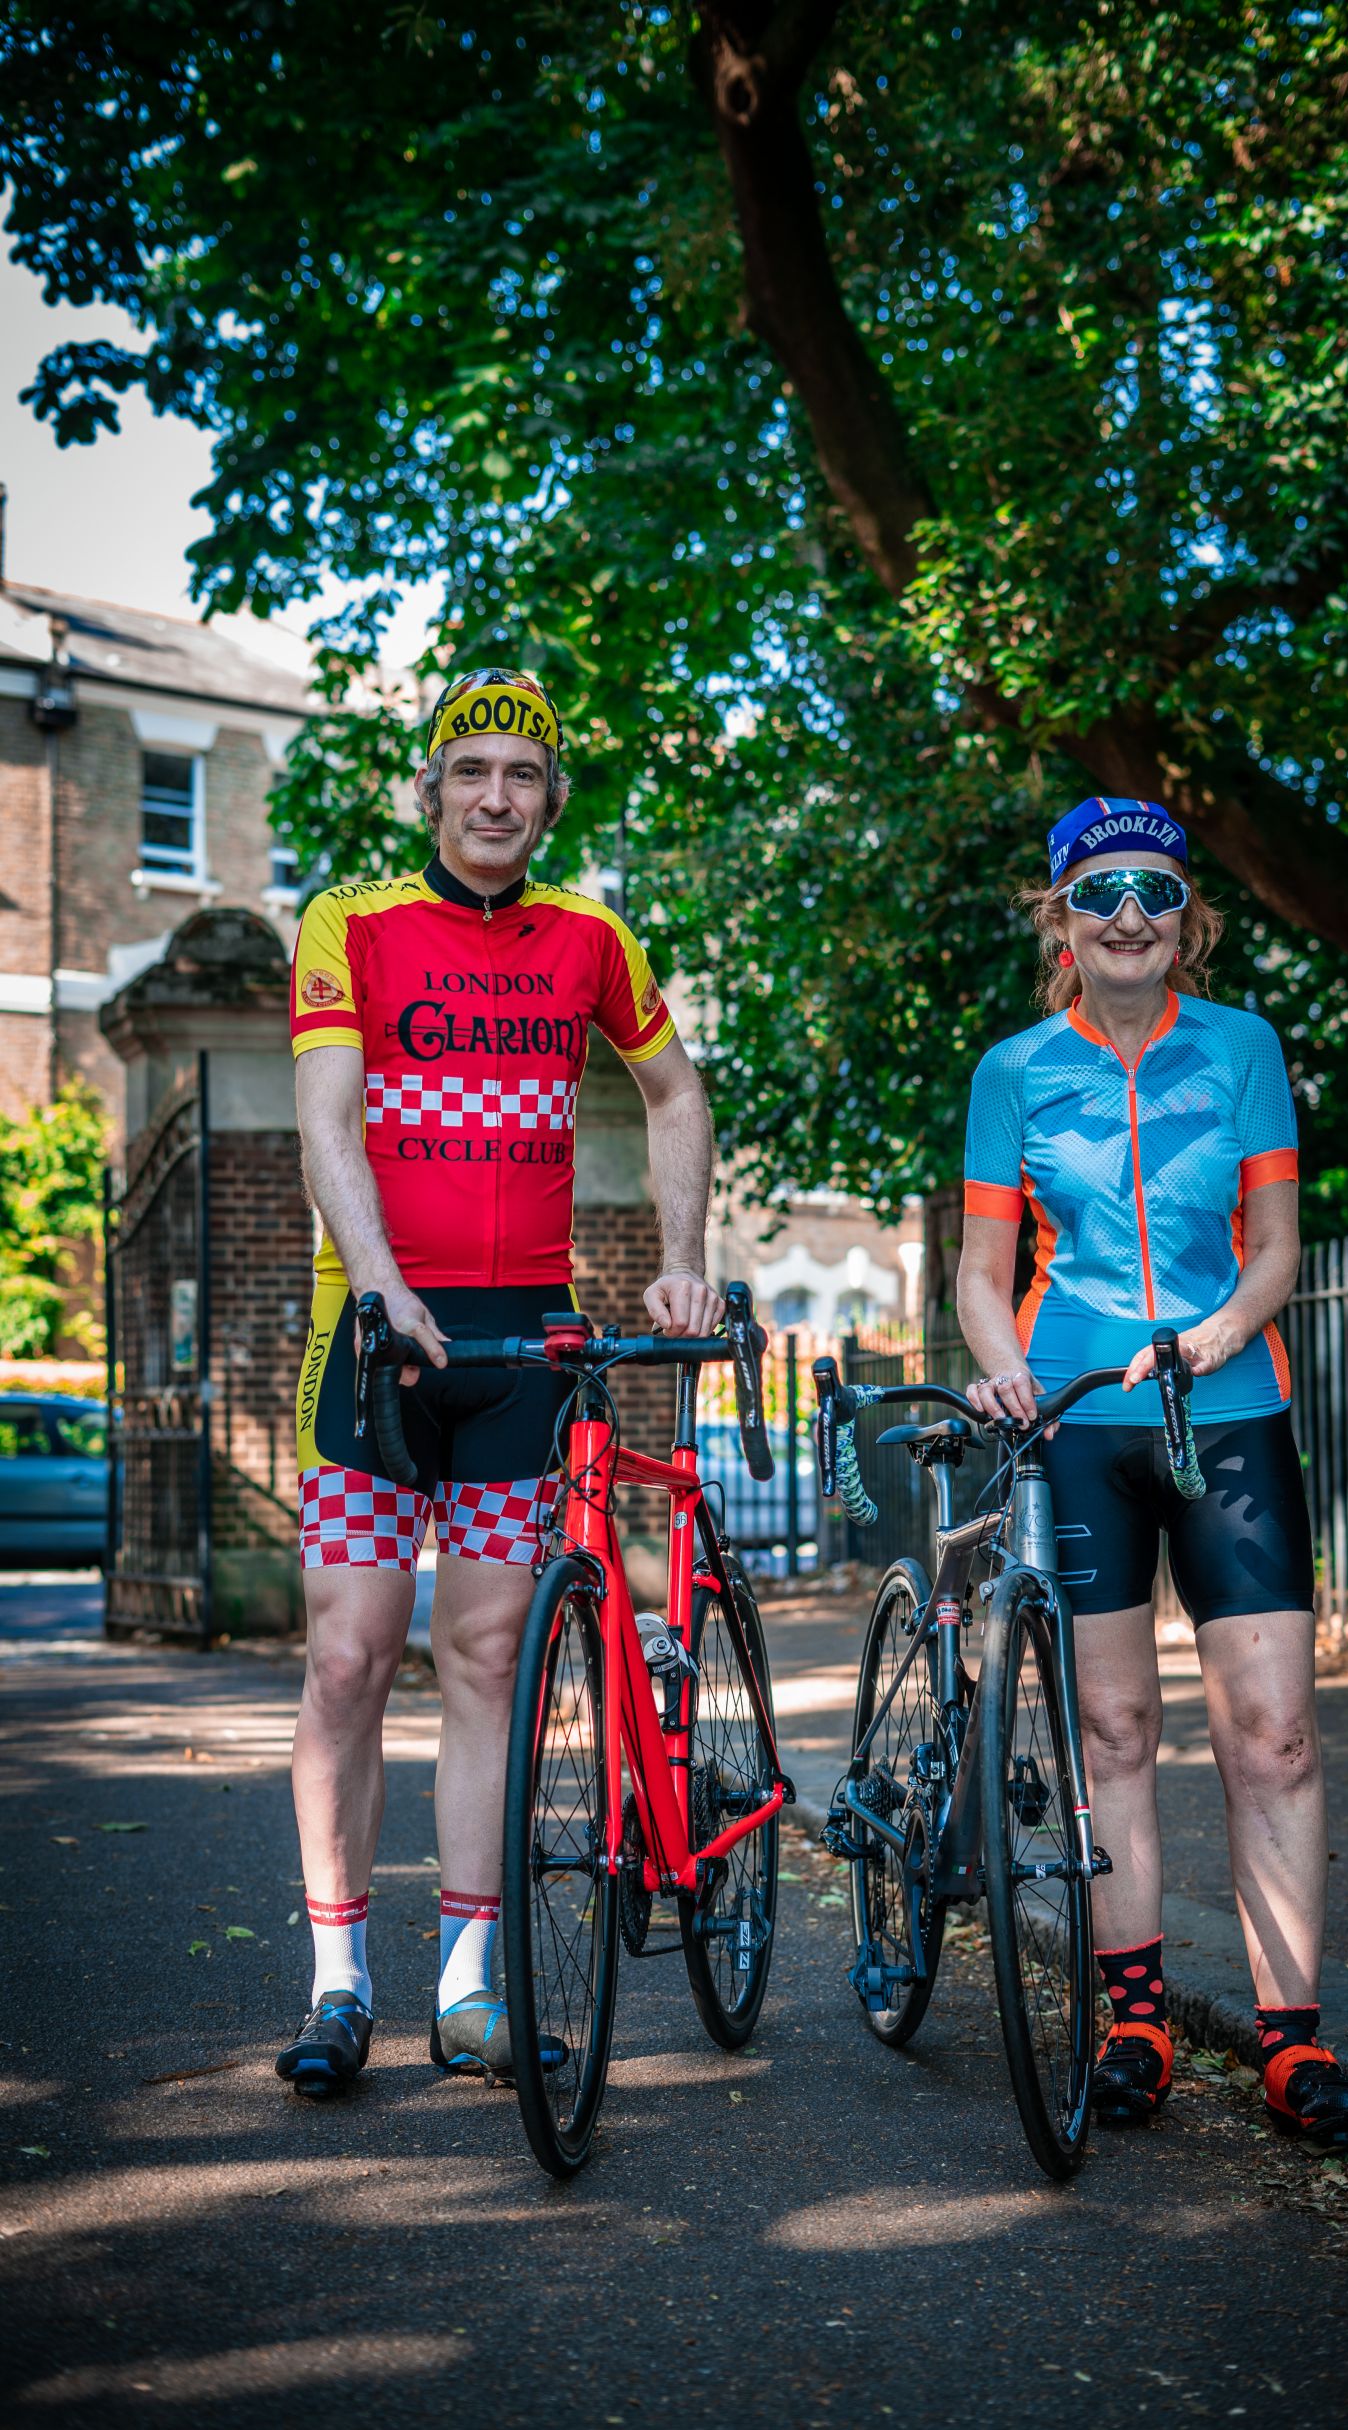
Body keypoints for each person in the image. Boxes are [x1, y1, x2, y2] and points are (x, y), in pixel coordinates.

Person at [275, 667, 722, 2098]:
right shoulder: (350, 922)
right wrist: (385, 1282)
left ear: (551, 801)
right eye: (469, 769)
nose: (494, 796)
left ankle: (468, 1991)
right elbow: (329, 1121)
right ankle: (340, 1978)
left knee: (484, 1663)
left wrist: (682, 1257)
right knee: (348, 1658)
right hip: (375, 1342)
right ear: (430, 789)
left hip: (524, 1344)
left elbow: (676, 1090)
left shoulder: (590, 933)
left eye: (521, 775)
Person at [956, 793, 1348, 2153]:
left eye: (1152, 891)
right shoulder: (1013, 1071)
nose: (1126, 916)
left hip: (1230, 1408)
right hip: (1078, 1417)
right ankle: (1134, 2016)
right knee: (1118, 1732)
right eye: (1099, 893)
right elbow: (980, 1274)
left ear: (1190, 916)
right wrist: (1000, 1364)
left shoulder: (1246, 1048)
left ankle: (1291, 2041)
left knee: (1275, 1732)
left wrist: (1219, 1330)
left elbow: (1275, 1245)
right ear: (1061, 919)